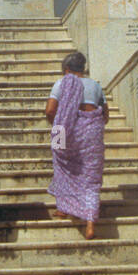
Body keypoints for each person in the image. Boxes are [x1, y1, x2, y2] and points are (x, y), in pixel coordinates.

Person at [44, 51, 107, 240]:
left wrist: (57, 125)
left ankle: (63, 209)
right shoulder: (95, 86)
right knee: (91, 178)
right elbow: (105, 115)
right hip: (91, 133)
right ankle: (90, 224)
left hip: (63, 131)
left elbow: (50, 110)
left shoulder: (61, 83)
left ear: (67, 70)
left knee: (61, 166)